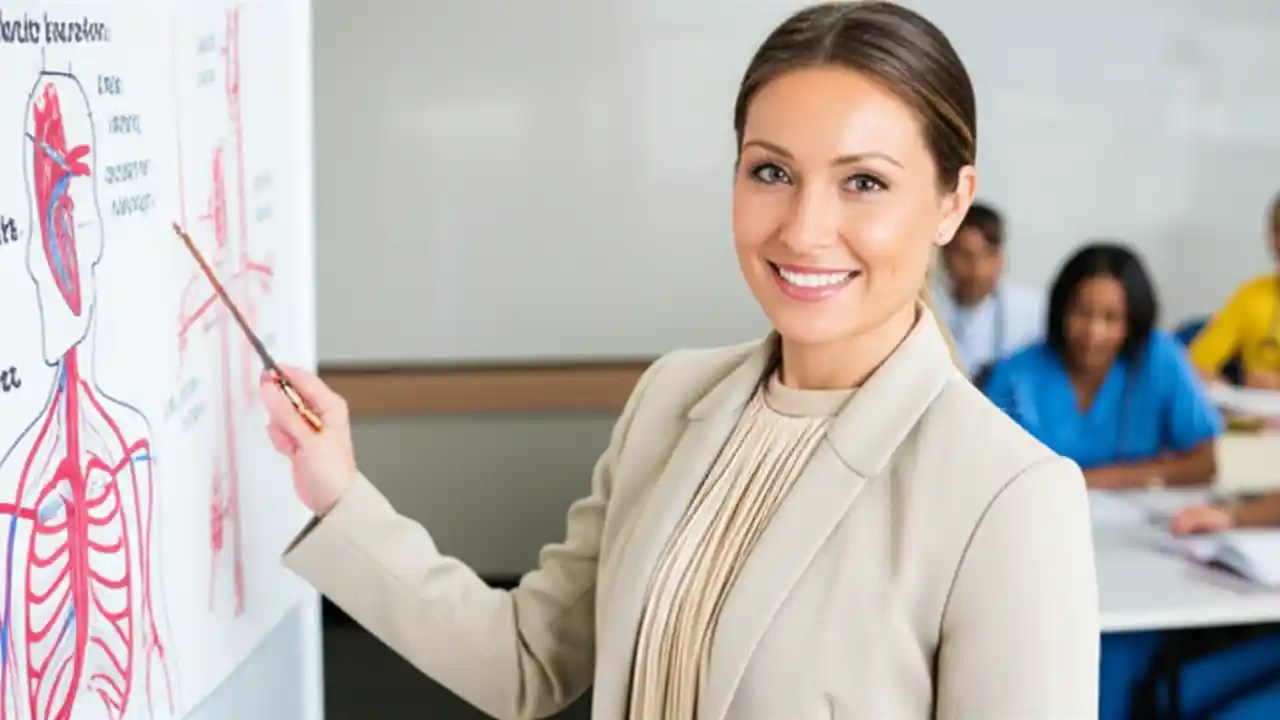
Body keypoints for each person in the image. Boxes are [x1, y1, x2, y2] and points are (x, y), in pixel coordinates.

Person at [262, 3, 1099, 719]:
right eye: (771, 171)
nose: (804, 229)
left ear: (952, 202)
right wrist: (338, 492)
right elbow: (524, 661)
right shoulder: (672, 399)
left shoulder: (1010, 495)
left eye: (864, 183)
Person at [983, 242, 1222, 490]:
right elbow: (984, 467)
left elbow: (1205, 461)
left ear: (1132, 321)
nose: (1093, 332)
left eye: (1111, 318)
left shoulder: (1159, 357)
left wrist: (1092, 481)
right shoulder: (1016, 375)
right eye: (1081, 313)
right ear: (1061, 311)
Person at [933, 201, 1046, 382]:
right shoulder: (926, 309)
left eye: (990, 254)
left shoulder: (1033, 312)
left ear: (1001, 256)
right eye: (965, 255)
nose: (978, 269)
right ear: (945, 254)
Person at [1189, 191, 1280, 388]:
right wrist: (1224, 389)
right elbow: (1194, 367)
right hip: (1256, 414)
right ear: (1272, 239)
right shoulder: (1251, 296)